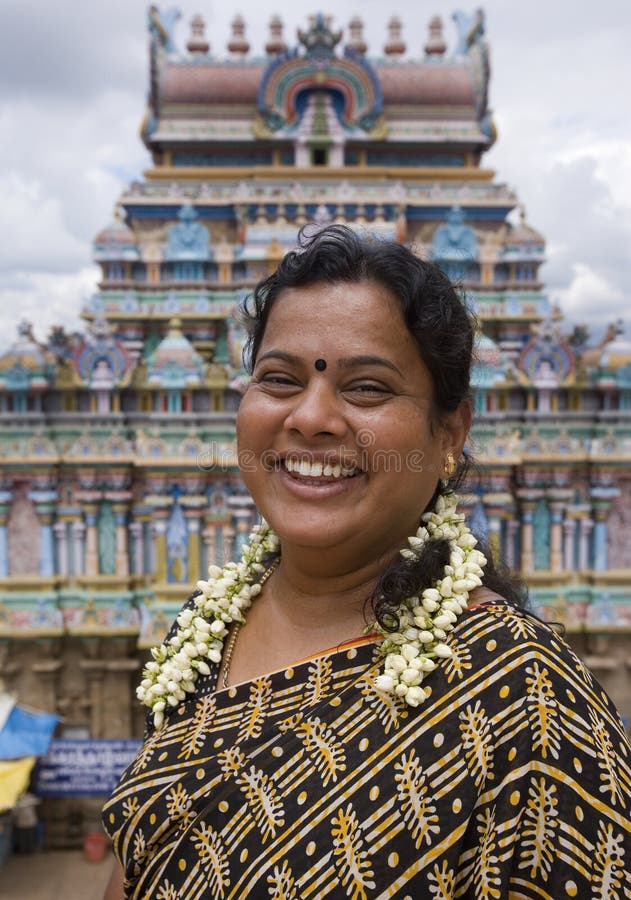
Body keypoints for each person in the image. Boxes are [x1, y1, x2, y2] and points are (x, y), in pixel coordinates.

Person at [102, 225, 631, 899]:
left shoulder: (522, 693)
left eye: (367, 388)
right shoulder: (203, 632)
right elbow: (144, 855)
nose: (311, 417)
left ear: (450, 432)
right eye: (278, 378)